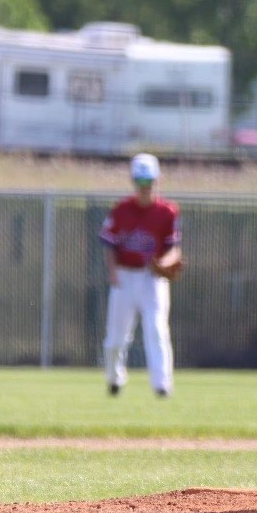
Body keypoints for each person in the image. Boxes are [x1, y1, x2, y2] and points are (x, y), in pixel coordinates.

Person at [99, 152, 183, 397]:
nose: (145, 187)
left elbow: (174, 248)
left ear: (157, 180)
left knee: (157, 330)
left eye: (149, 181)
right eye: (140, 181)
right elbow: (109, 244)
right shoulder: (121, 210)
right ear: (133, 181)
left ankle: (162, 385)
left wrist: (164, 262)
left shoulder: (167, 211)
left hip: (152, 278)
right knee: (116, 337)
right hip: (125, 275)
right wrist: (112, 272)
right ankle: (114, 379)